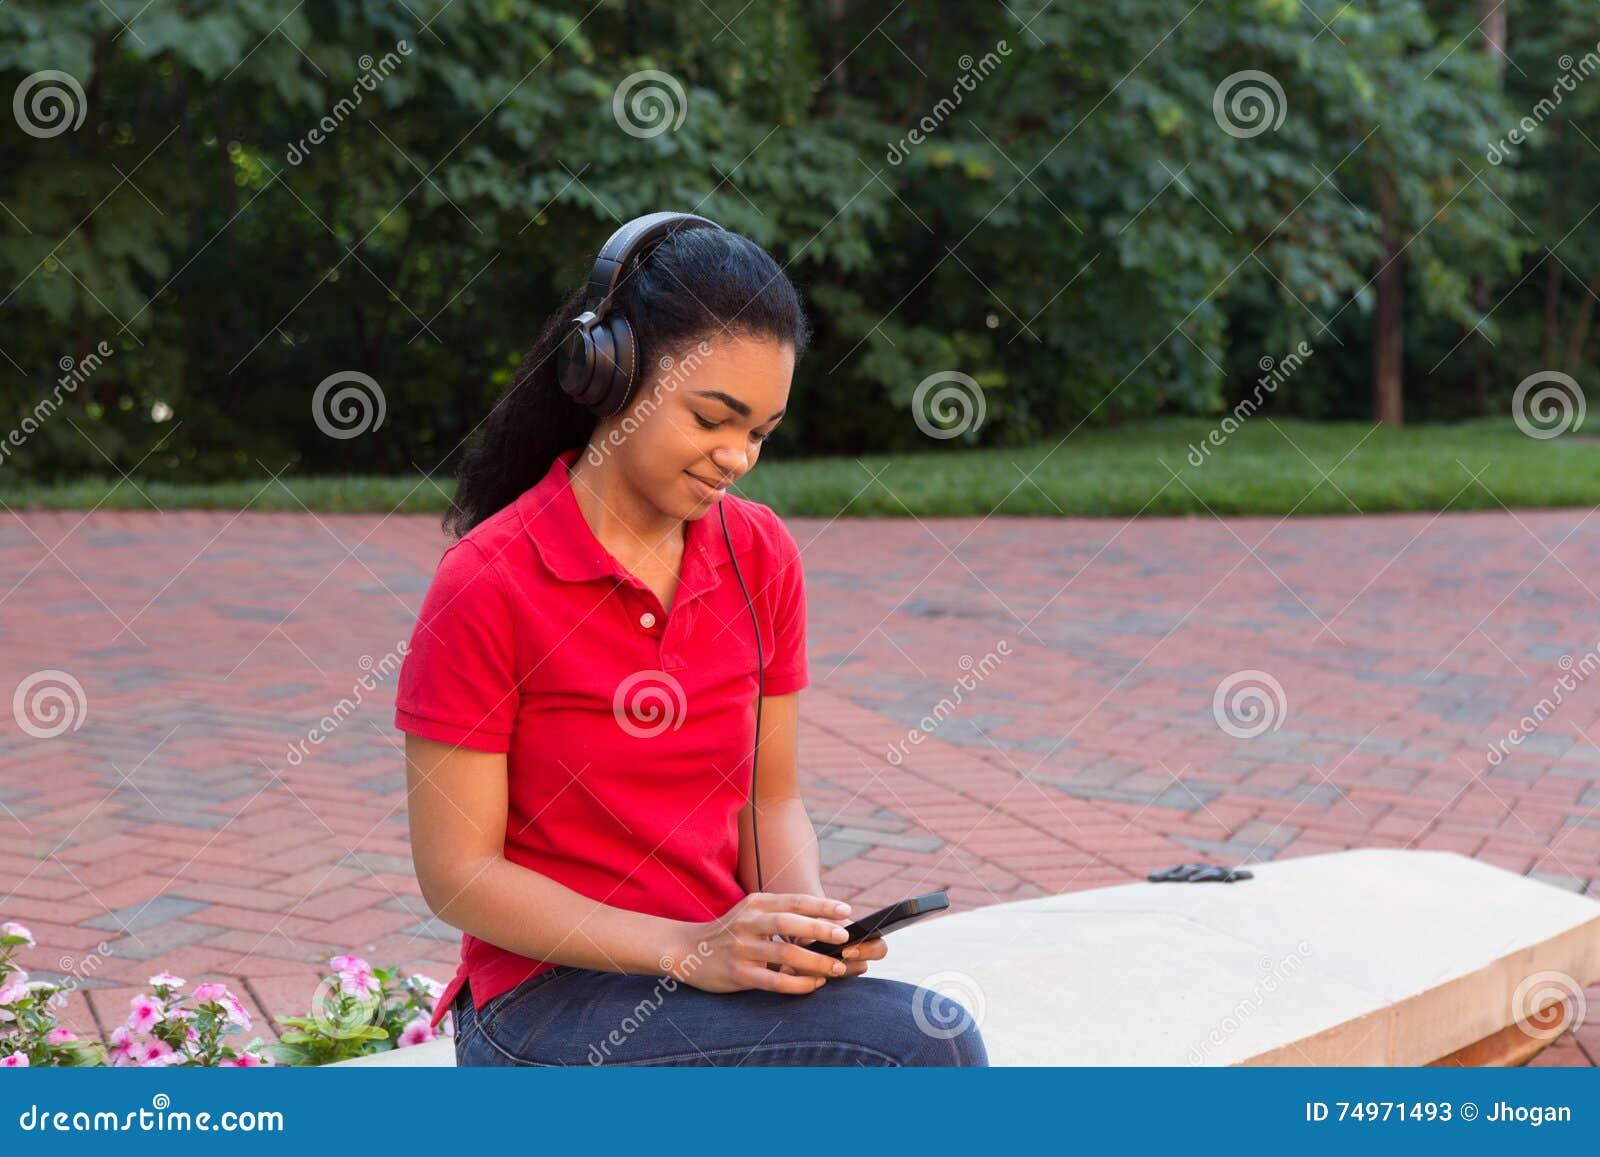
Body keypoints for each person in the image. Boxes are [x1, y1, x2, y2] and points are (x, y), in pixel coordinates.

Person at [394, 213, 987, 1067]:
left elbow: (768, 802)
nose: (737, 456)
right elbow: (458, 874)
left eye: (760, 432)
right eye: (714, 418)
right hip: (543, 1003)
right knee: (924, 1047)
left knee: (909, 1030)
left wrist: (802, 923)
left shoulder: (761, 554)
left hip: (709, 981)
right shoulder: (488, 581)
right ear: (606, 376)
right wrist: (686, 947)